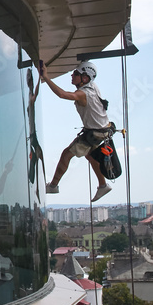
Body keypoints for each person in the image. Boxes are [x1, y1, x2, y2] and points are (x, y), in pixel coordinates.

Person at [39, 60, 113, 202]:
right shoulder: (92, 87)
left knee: (66, 155)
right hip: (101, 131)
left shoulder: (84, 94)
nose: (72, 76)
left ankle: (53, 186)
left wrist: (46, 78)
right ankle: (103, 185)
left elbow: (62, 94)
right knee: (91, 157)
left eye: (76, 74)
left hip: (94, 133)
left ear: (85, 78)